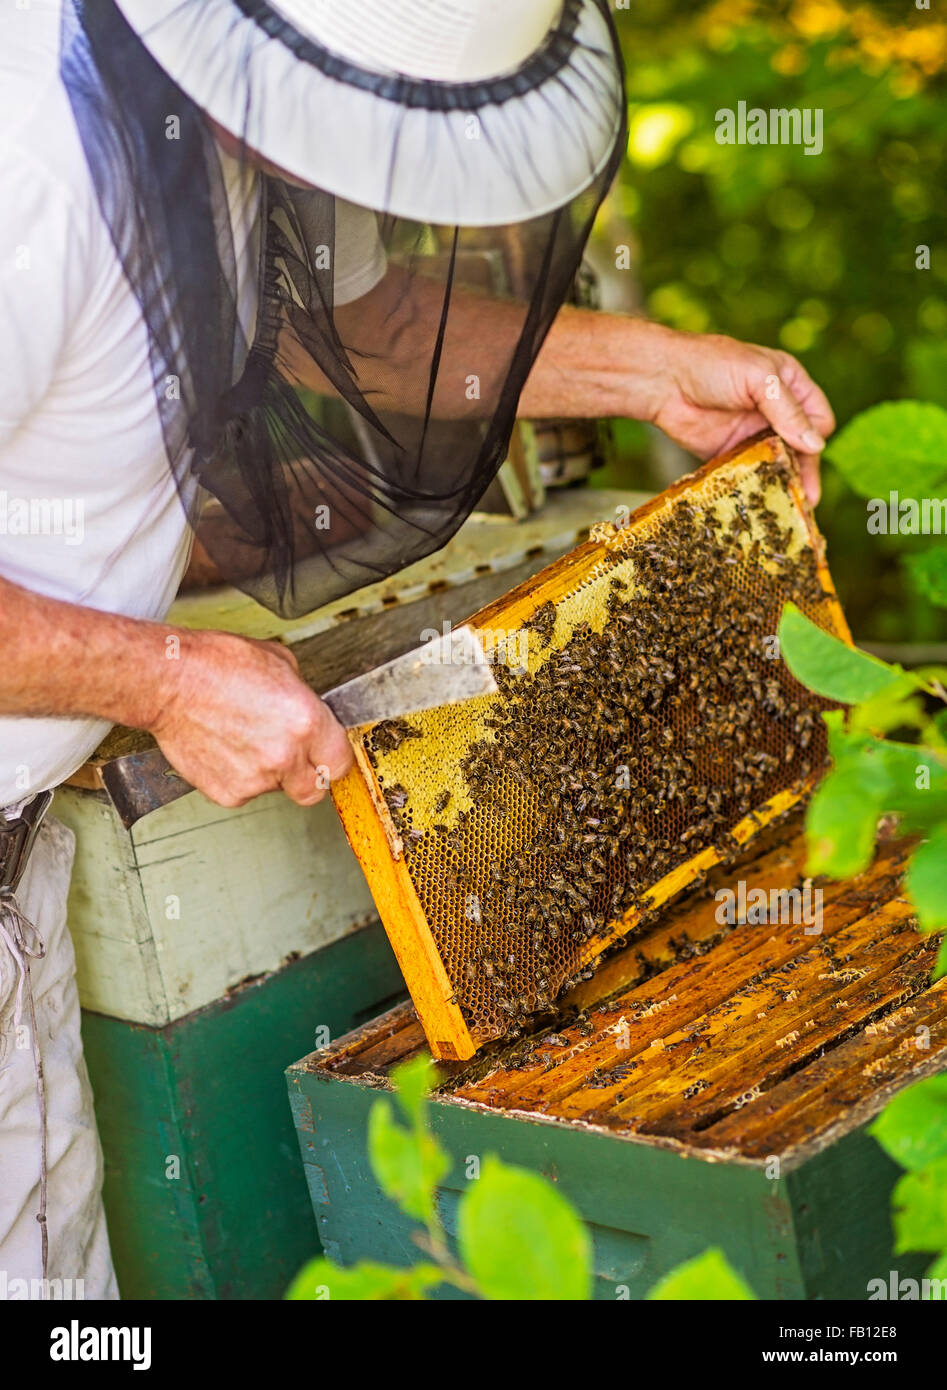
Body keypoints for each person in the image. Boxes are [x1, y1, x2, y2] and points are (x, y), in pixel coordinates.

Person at [0, 0, 834, 1298]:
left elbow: (364, 326)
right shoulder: (28, 161)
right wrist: (158, 678)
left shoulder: (243, 84)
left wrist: (652, 369)